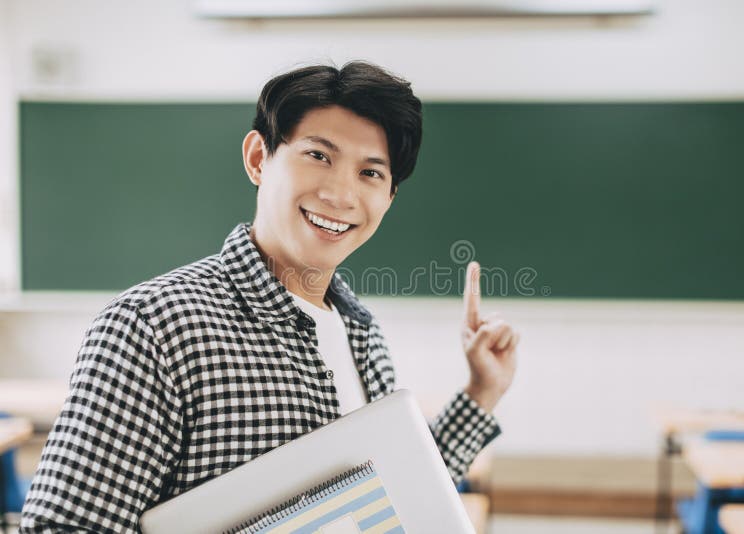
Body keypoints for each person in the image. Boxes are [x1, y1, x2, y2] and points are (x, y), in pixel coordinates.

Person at [20, 61, 519, 532]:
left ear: (388, 199)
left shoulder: (361, 332)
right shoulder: (153, 327)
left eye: (371, 173)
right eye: (319, 155)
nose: (341, 195)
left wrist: (481, 391)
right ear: (259, 158)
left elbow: (394, 484)